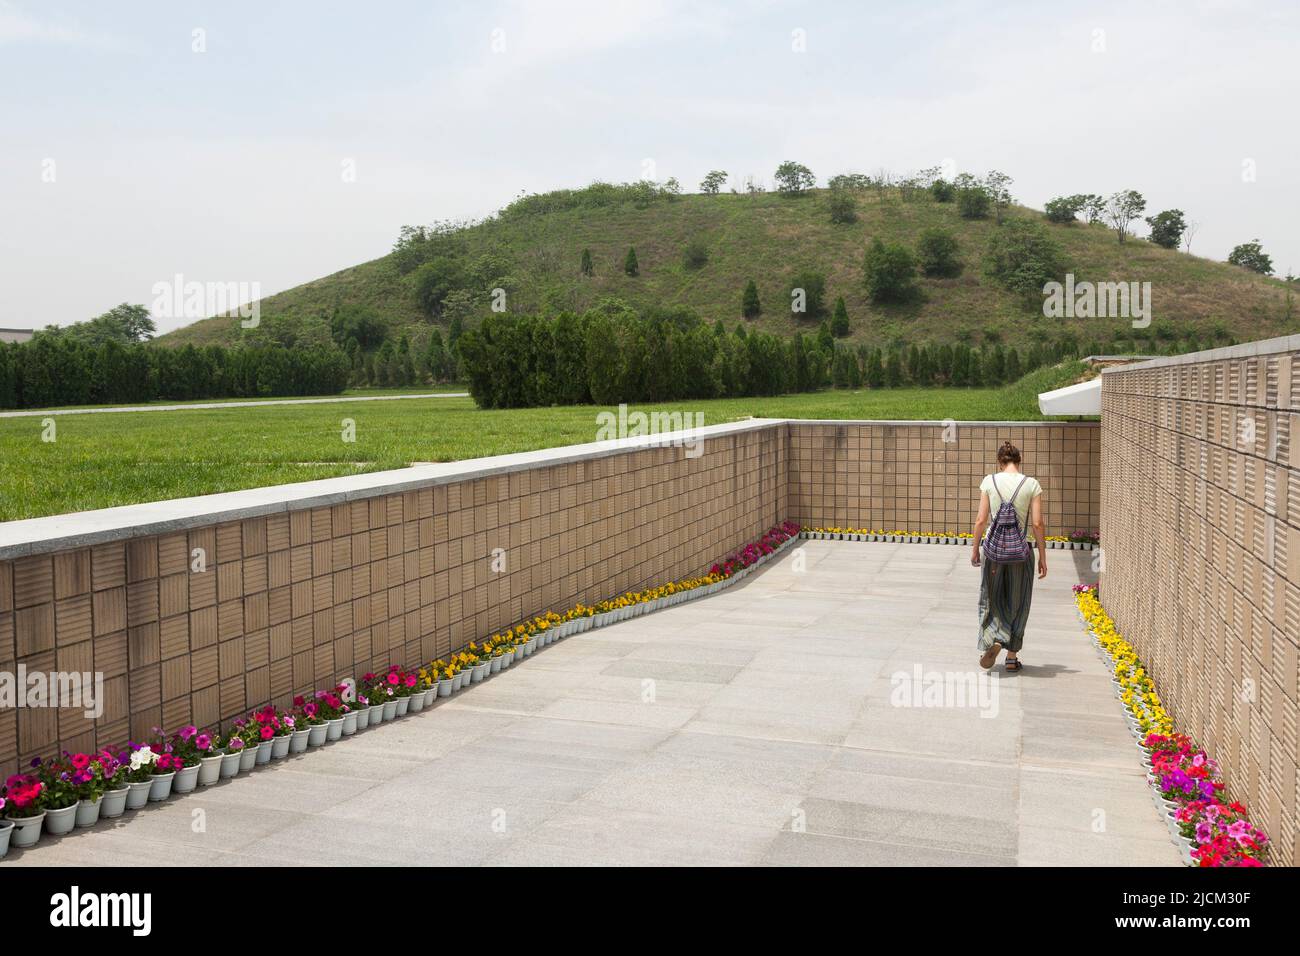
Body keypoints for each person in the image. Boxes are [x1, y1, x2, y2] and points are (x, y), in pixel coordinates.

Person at [970, 440, 1047, 671]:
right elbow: (1037, 523)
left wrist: (975, 549)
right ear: (1019, 461)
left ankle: (993, 638)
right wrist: (1043, 556)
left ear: (999, 462)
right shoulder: (1031, 484)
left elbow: (981, 520)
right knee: (1018, 601)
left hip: (993, 552)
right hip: (1020, 553)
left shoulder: (989, 481)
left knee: (991, 597)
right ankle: (1011, 657)